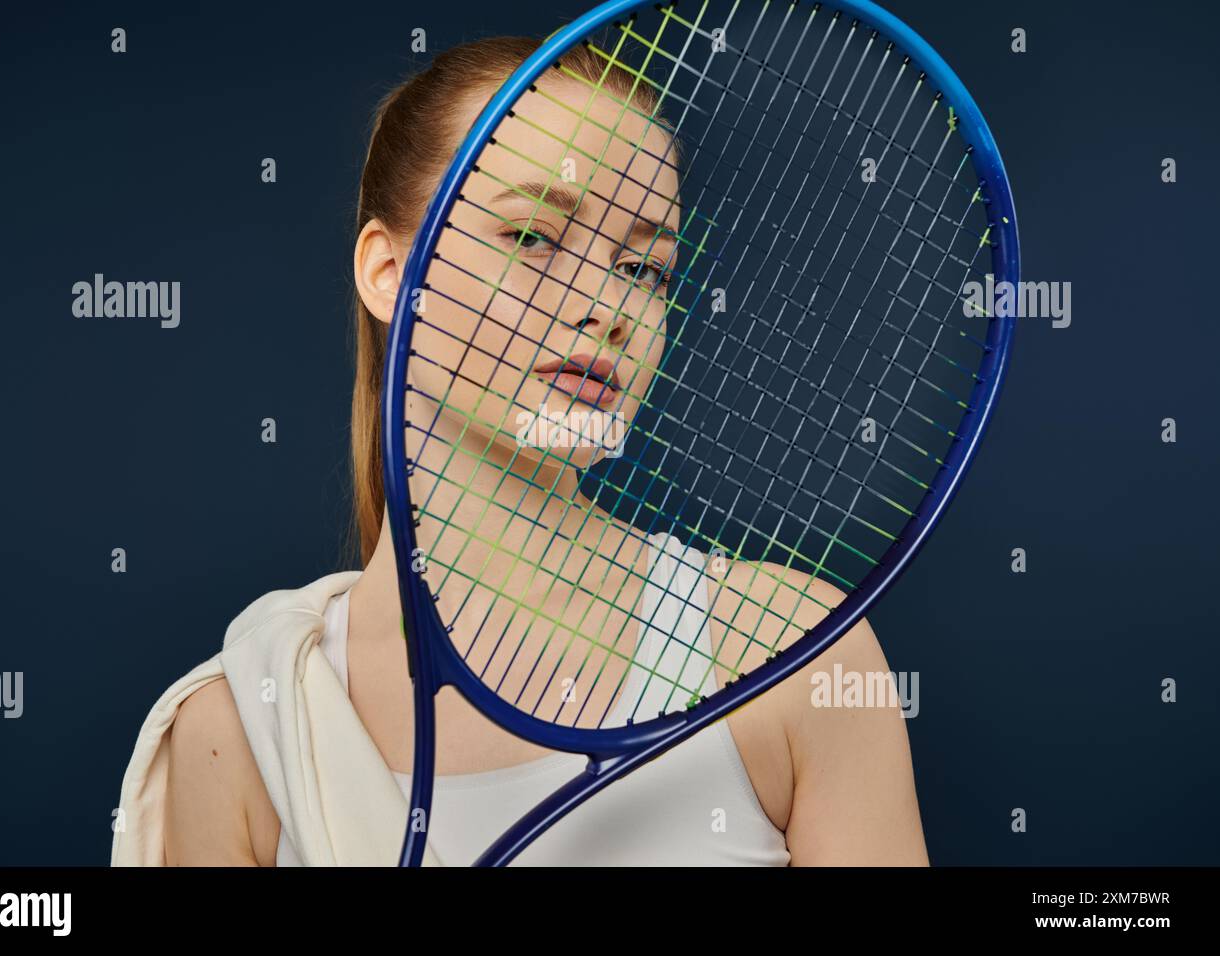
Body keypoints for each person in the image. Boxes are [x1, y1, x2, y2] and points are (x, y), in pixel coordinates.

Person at [159, 35, 928, 866]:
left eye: (645, 268)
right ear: (388, 272)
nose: (605, 304)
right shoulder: (240, 731)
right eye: (533, 238)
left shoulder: (796, 659)